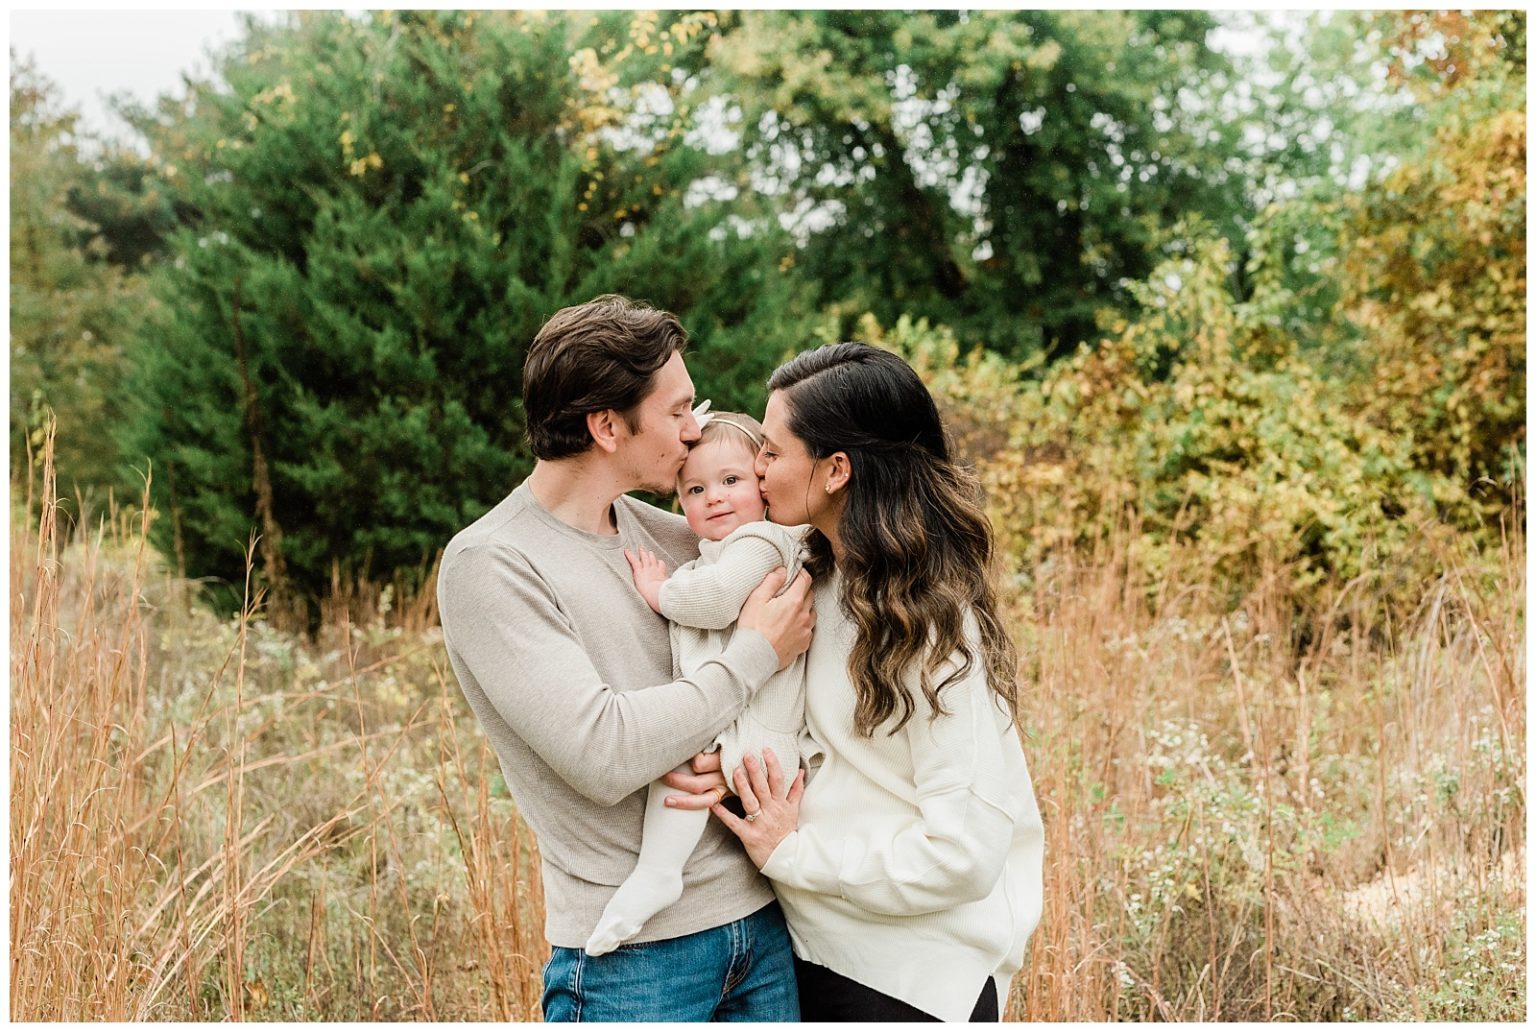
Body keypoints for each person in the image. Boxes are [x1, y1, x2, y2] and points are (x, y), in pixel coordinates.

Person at [436, 295, 815, 1022]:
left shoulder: (674, 533)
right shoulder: (491, 565)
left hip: (763, 924)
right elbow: (606, 751)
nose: (695, 429)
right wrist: (749, 663)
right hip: (633, 960)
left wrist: (727, 742)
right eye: (675, 411)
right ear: (607, 426)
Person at [670, 341, 1045, 1022]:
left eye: (772, 452)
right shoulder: (813, 578)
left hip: (907, 980)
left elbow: (964, 852)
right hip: (813, 953)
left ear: (836, 469)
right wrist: (726, 765)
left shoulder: (929, 622)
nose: (754, 466)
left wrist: (794, 852)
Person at [585, 407, 813, 957]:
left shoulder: (761, 544)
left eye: (730, 481)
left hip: (755, 744)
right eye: (693, 489)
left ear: (762, 485)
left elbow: (714, 603)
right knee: (682, 769)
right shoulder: (722, 548)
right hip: (745, 736)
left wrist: (661, 592)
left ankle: (658, 874)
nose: (713, 497)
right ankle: (659, 874)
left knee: (681, 769)